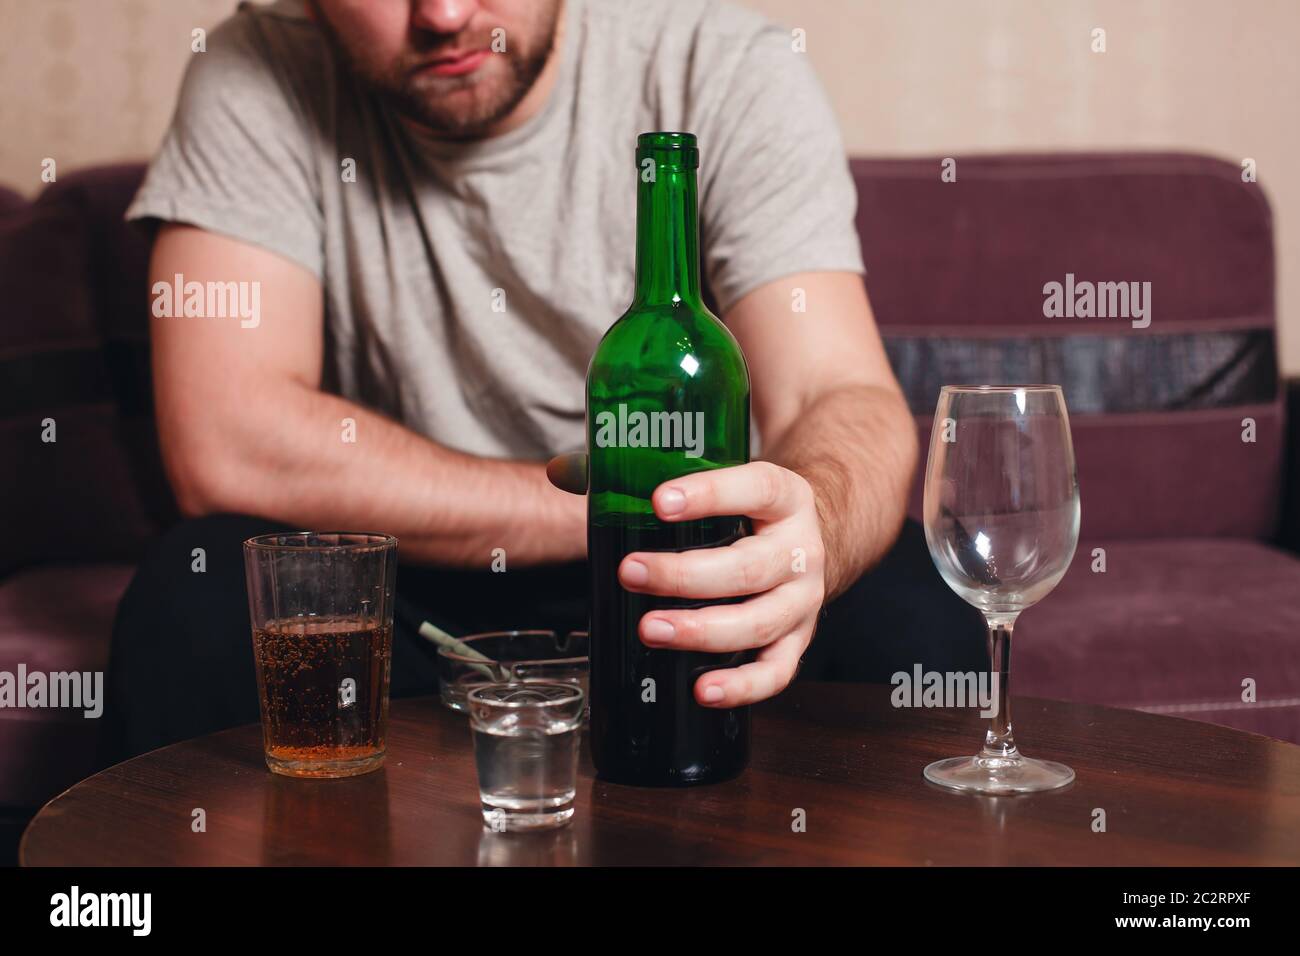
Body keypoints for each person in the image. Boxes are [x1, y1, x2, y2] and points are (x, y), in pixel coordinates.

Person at [105, 0, 983, 762]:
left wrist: (810, 532)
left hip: (698, 565)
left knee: (912, 606)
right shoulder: (253, 71)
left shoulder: (723, 66)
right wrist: (601, 506)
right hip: (418, 579)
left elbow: (837, 393)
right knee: (197, 594)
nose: (443, 16)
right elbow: (225, 438)